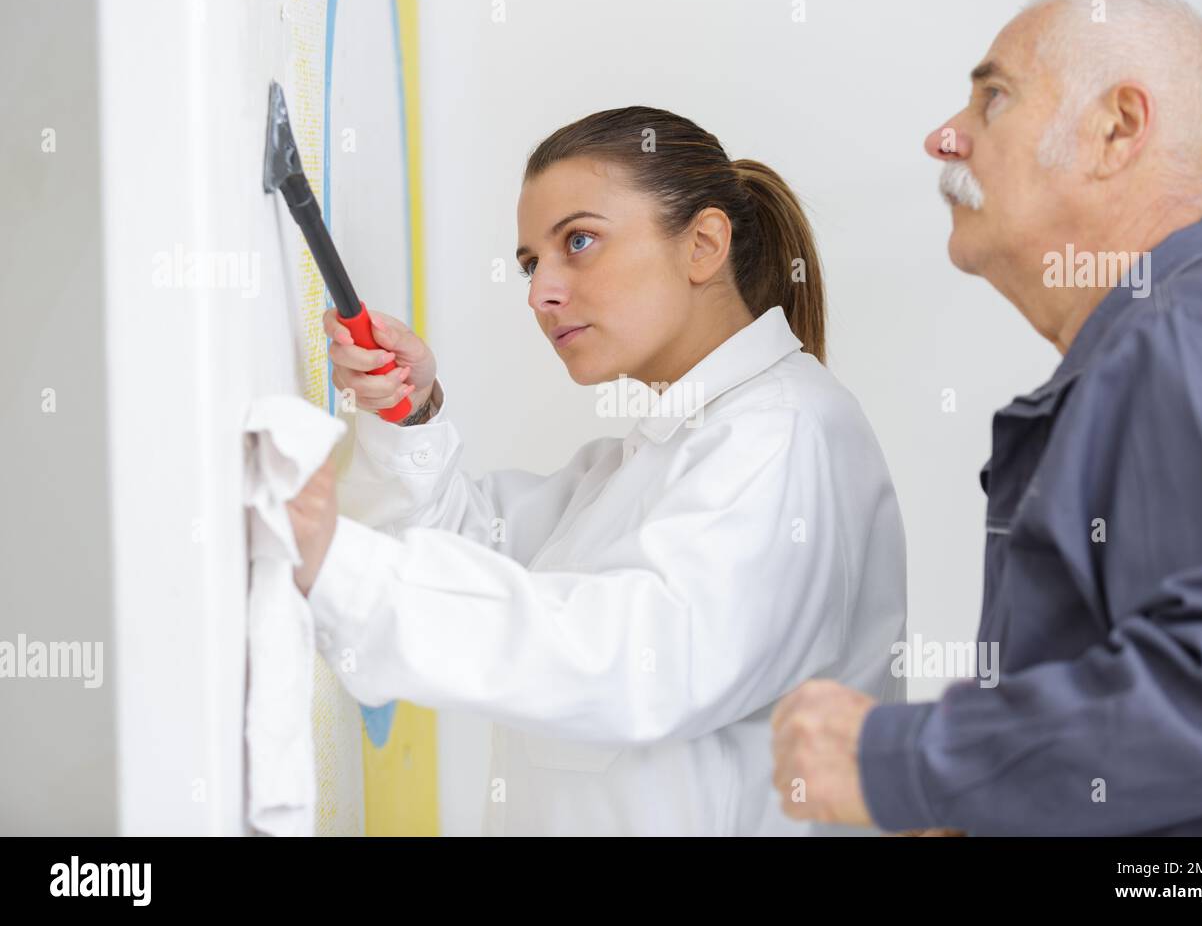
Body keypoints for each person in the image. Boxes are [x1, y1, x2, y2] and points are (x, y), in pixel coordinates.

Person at [288, 106, 907, 835]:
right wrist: (410, 416)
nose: (538, 292)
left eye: (578, 241)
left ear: (703, 244)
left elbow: (638, 661)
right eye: (530, 263)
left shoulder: (783, 433)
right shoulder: (645, 459)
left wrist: (348, 569)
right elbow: (471, 554)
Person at [772, 0, 1202, 836]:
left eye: (994, 97)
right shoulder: (1172, 341)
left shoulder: (1196, 336)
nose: (945, 137)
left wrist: (907, 763)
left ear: (1118, 129)